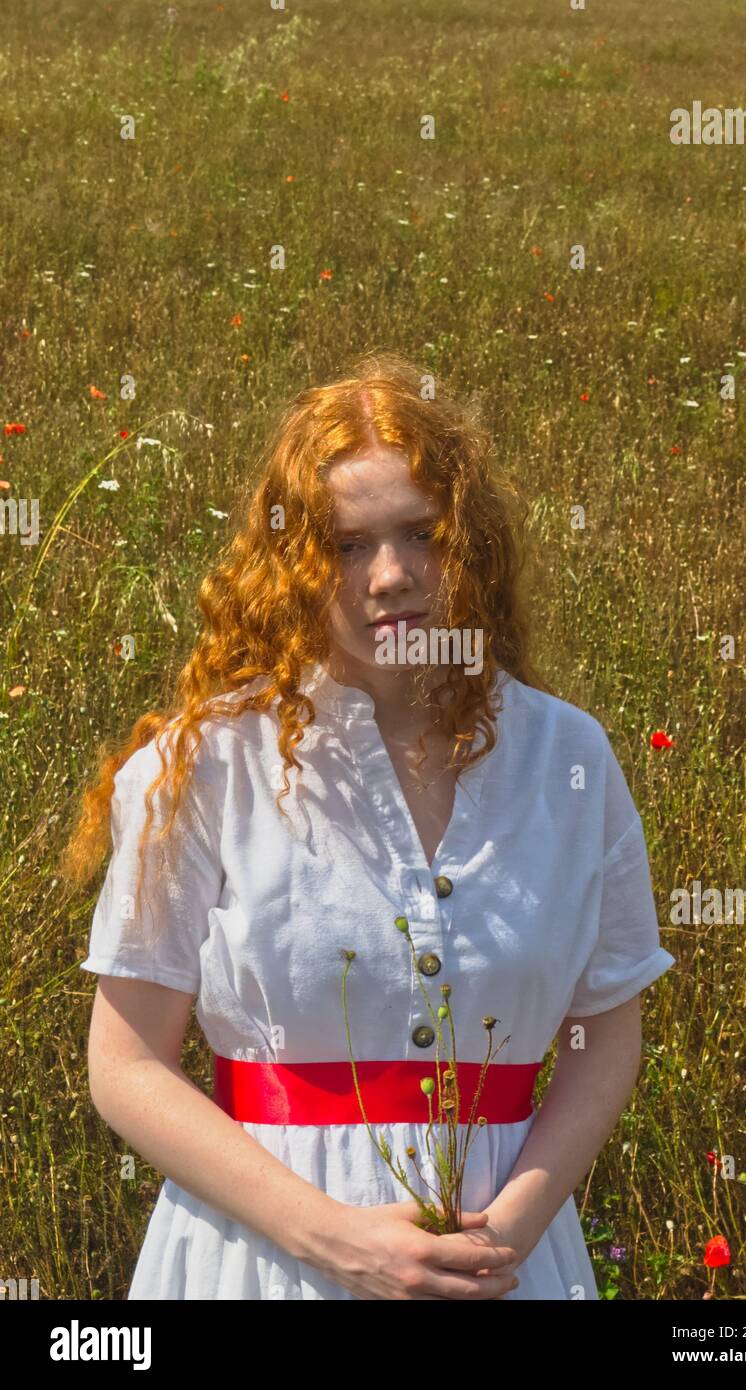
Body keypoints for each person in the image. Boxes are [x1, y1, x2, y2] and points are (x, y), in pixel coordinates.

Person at [64, 350, 675, 1300]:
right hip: (261, 1265)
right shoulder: (204, 766)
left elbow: (605, 1035)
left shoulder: (569, 757)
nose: (390, 575)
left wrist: (504, 1235)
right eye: (348, 545)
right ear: (292, 564)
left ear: (468, 543)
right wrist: (338, 1242)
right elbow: (126, 1065)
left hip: (505, 1267)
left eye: (421, 534)